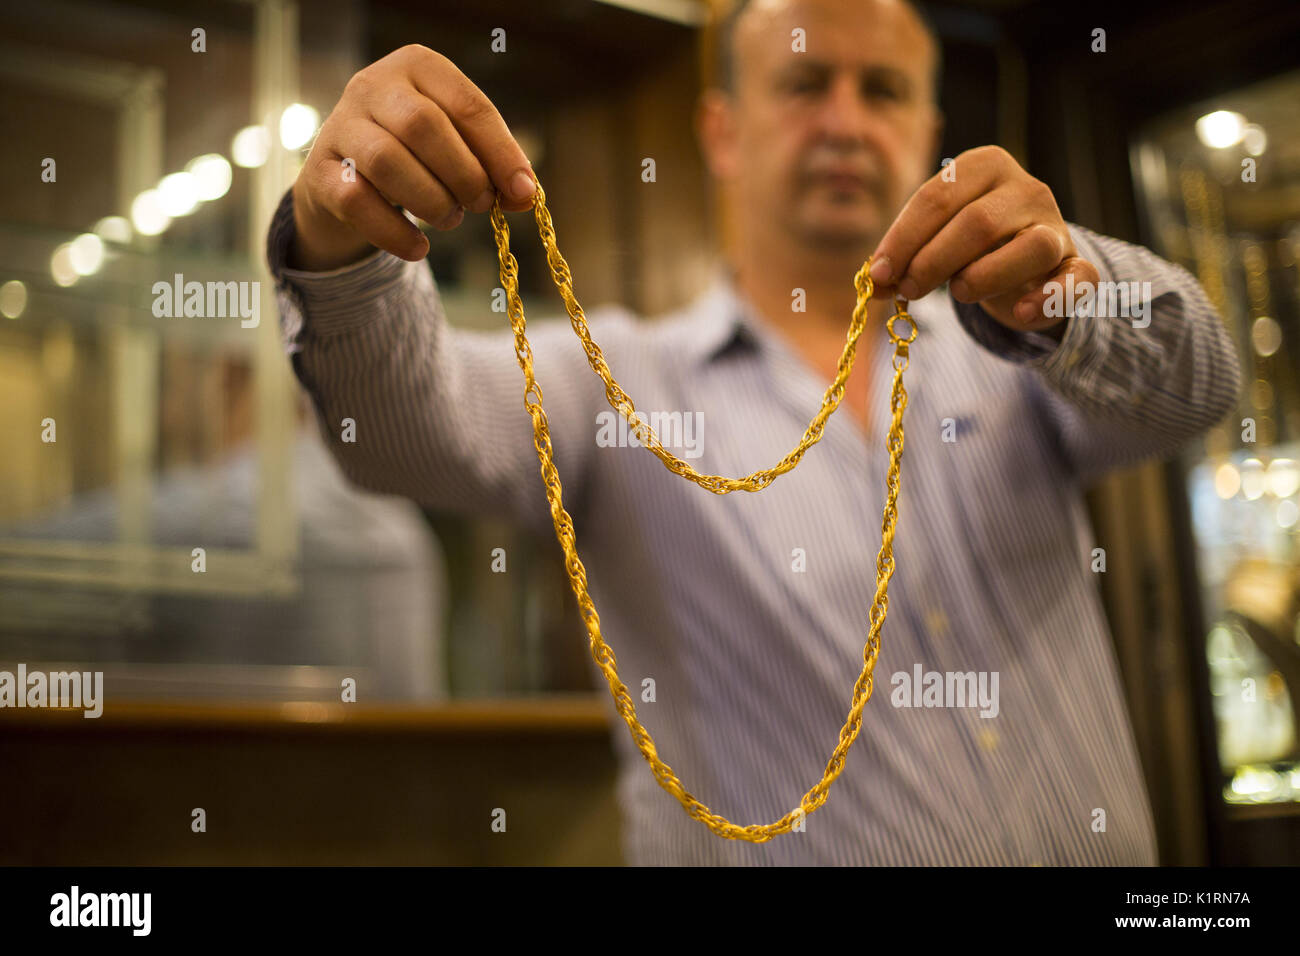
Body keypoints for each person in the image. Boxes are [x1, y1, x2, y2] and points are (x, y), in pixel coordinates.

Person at [267, 0, 1241, 864]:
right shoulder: (611, 387)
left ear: (928, 133)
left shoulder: (1023, 351)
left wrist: (1070, 290)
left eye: (885, 90)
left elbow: (1198, 384)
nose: (846, 122)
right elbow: (395, 430)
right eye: (805, 82)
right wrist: (340, 237)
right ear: (722, 131)